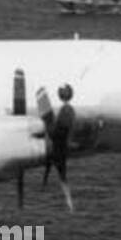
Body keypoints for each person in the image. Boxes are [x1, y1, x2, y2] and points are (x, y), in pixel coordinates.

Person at [49, 84, 76, 213]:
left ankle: (69, 203)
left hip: (59, 147)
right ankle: (69, 203)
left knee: (62, 176)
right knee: (63, 177)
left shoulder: (65, 111)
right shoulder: (70, 110)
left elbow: (58, 130)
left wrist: (50, 131)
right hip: (63, 146)